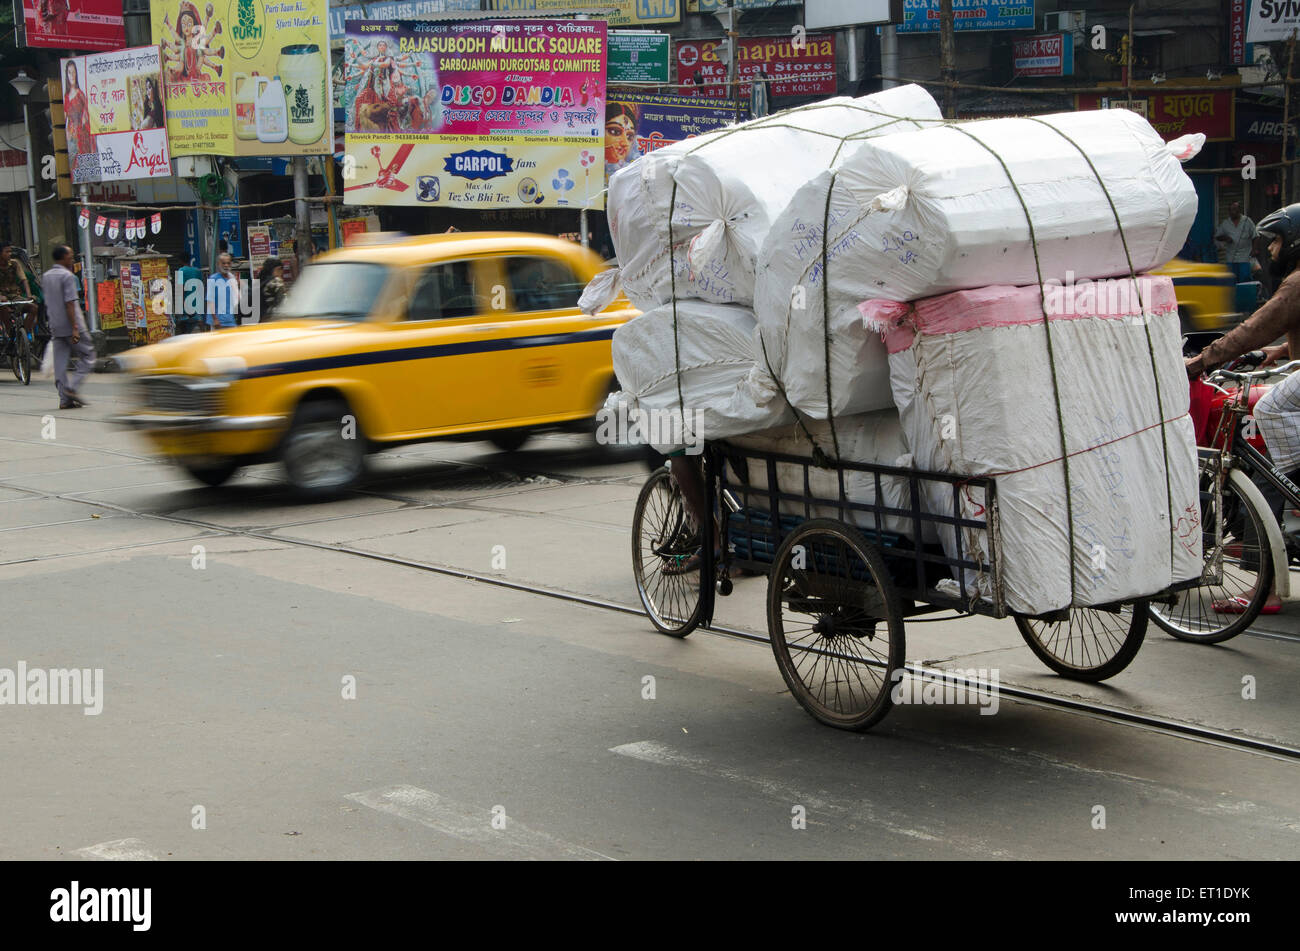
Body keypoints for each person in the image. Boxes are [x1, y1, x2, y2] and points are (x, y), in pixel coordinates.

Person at [1186, 202, 1300, 614]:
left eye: (1276, 242)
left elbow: (1251, 329)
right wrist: (1282, 349)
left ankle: (1264, 589)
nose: (1270, 251)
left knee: (1270, 424)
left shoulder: (1296, 283)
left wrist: (1201, 362)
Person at [41, 245, 95, 409]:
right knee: (88, 355)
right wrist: (75, 328)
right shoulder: (67, 276)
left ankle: (64, 400)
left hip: (55, 325)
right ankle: (72, 388)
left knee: (60, 363)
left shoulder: (46, 276)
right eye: (70, 256)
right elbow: (70, 303)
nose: (72, 259)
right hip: (71, 324)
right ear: (63, 258)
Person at [1214, 202, 1258, 284]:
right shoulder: (1226, 223)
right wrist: (1225, 238)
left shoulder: (1247, 221)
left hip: (1245, 257)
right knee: (1232, 279)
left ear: (1239, 210)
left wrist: (1254, 249)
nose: (1232, 212)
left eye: (1234, 209)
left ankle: (1244, 296)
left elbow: (1255, 236)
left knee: (1245, 280)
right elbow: (1217, 236)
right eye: (1230, 210)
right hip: (1231, 257)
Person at [0, 243, 37, 338]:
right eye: (7, 252)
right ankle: (10, 334)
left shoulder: (14, 263)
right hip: (1, 298)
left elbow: (24, 280)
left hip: (14, 295)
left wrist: (29, 295)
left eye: (10, 251)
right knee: (3, 307)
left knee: (33, 307)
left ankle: (23, 334)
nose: (10, 254)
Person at [604, 102, 639, 179]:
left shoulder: (630, 171)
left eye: (629, 136)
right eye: (615, 132)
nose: (625, 143)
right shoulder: (589, 166)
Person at [206, 252, 240, 329]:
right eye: (223, 263)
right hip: (219, 322)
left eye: (228, 263)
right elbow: (210, 301)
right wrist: (215, 319)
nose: (226, 265)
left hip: (231, 320)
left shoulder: (232, 278)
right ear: (218, 264)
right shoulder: (213, 279)